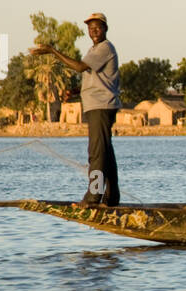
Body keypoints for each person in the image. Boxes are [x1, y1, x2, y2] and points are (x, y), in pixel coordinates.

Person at [30, 12, 121, 206]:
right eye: (90, 28)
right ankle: (111, 197)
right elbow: (96, 80)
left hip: (100, 107)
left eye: (97, 27)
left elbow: (80, 67)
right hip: (99, 106)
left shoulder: (105, 48)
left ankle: (94, 196)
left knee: (96, 153)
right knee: (105, 153)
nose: (94, 31)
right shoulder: (95, 50)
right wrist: (74, 91)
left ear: (105, 28)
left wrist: (52, 51)